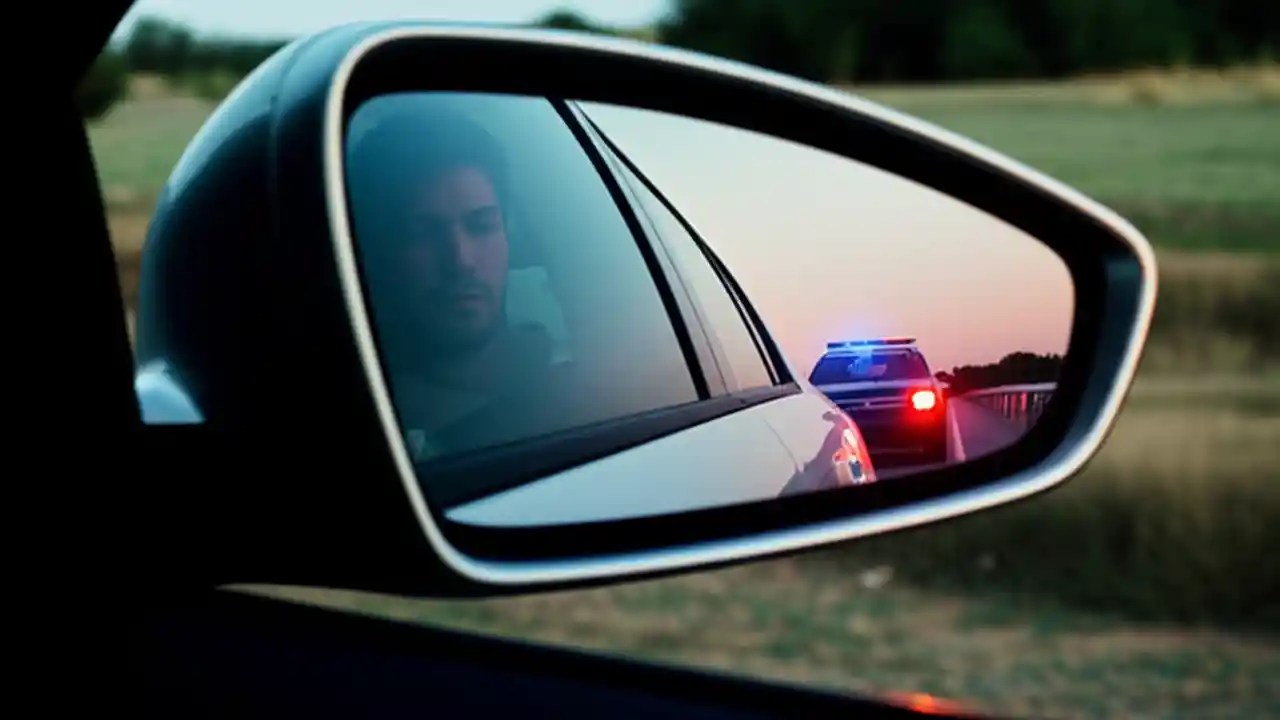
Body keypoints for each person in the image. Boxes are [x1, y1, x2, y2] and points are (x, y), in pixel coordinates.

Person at [346, 101, 559, 462]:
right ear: (374, 251)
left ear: (509, 237)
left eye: (481, 226)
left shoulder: (575, 372)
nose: (460, 260)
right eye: (421, 233)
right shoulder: (377, 415)